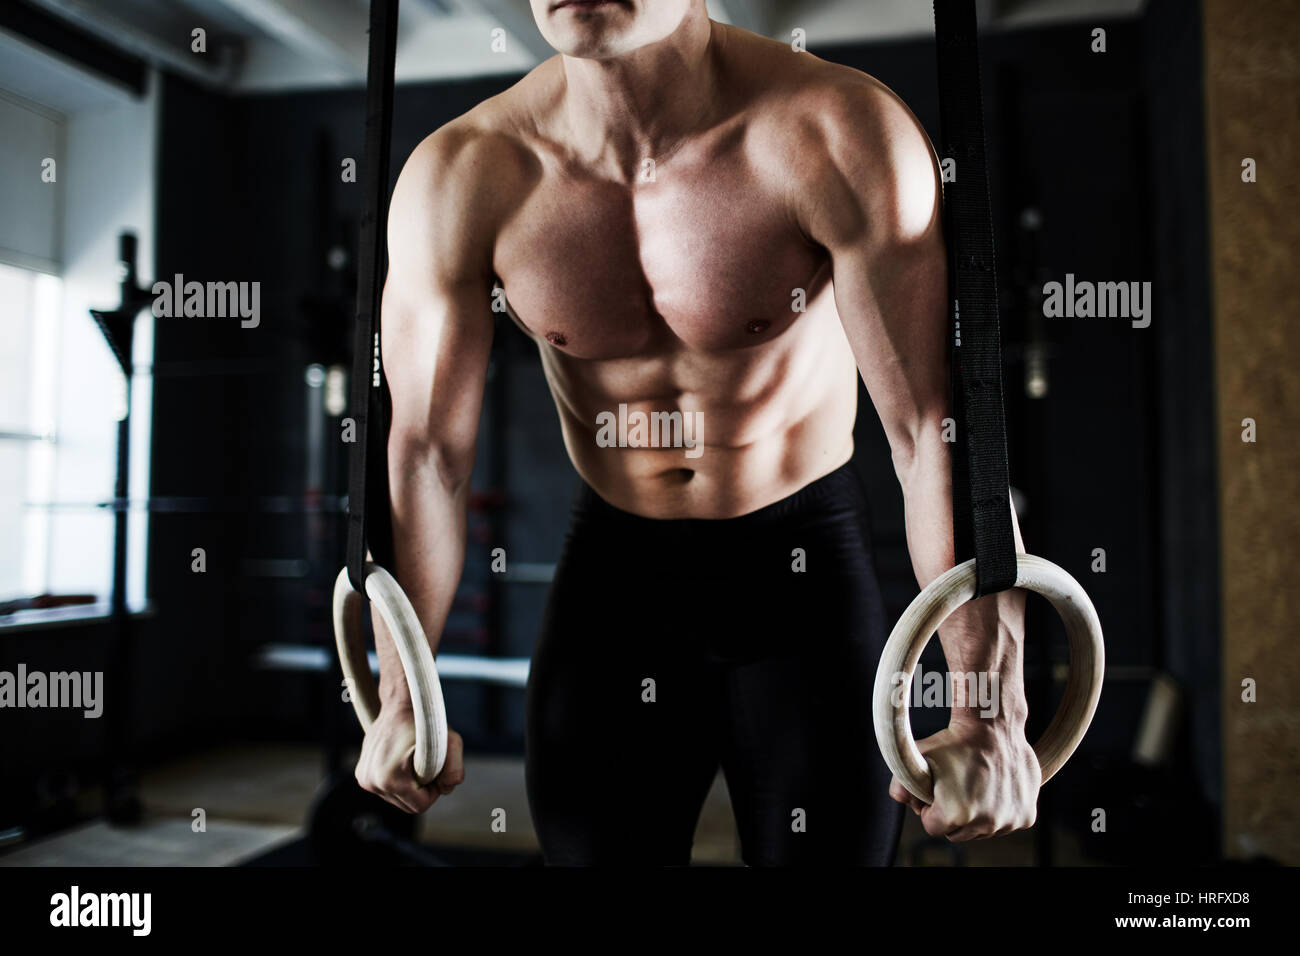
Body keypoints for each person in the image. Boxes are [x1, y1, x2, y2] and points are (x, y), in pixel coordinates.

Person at [353, 0, 1039, 865]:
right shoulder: (464, 173)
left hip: (802, 574)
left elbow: (935, 434)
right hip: (615, 582)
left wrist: (989, 708)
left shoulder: (835, 131)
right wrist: (401, 691)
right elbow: (424, 457)